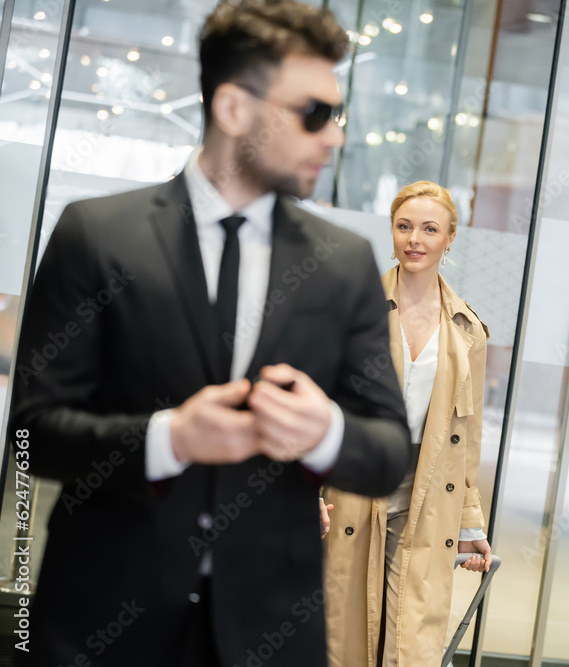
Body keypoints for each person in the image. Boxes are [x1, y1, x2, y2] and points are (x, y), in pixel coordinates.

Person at [7, 2, 411, 665]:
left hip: (270, 632)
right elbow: (32, 433)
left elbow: (390, 452)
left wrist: (324, 432)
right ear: (232, 108)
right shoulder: (98, 236)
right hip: (101, 623)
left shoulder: (343, 265)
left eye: (336, 116)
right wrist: (170, 438)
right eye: (314, 114)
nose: (333, 138)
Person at [321, 181, 492, 667]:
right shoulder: (354, 309)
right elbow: (318, 405)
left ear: (450, 238)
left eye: (429, 229)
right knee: (345, 629)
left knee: (411, 642)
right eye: (404, 226)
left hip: (429, 487)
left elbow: (467, 434)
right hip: (355, 481)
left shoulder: (466, 330)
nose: (415, 239)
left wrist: (470, 521)